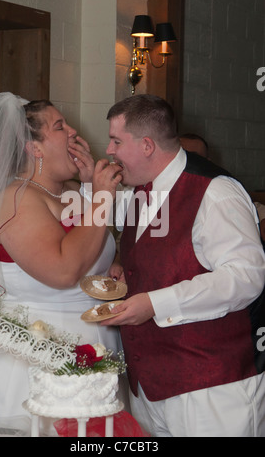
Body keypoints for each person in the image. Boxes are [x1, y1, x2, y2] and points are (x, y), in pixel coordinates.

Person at [102, 94, 265, 437]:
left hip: (211, 389)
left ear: (146, 145)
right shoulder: (137, 194)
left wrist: (154, 303)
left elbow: (246, 277)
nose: (109, 150)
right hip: (150, 387)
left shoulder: (215, 192)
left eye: (116, 141)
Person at [0, 92, 123, 434]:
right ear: (34, 148)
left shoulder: (67, 192)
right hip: (37, 360)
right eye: (59, 126)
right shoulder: (16, 199)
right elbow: (63, 271)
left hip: (94, 348)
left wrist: (86, 190)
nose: (73, 132)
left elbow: (95, 249)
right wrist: (100, 199)